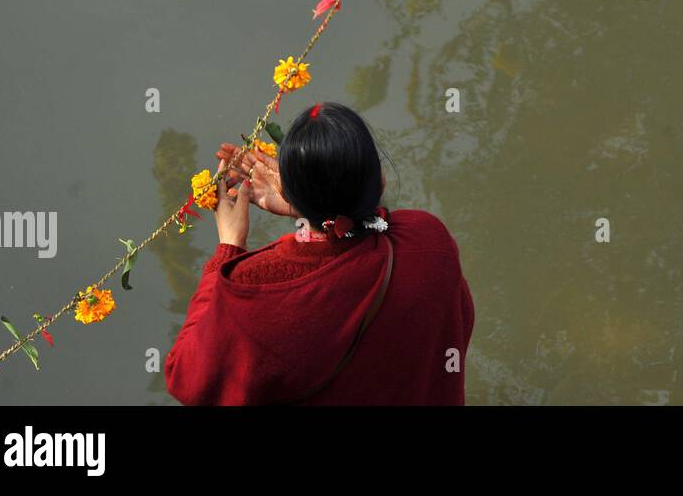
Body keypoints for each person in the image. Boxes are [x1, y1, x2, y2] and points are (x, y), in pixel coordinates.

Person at [165, 102, 474, 405]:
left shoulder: (255, 287)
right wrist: (306, 211)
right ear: (379, 181)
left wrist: (229, 247)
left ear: (287, 193)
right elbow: (459, 324)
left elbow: (185, 376)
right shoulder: (429, 241)